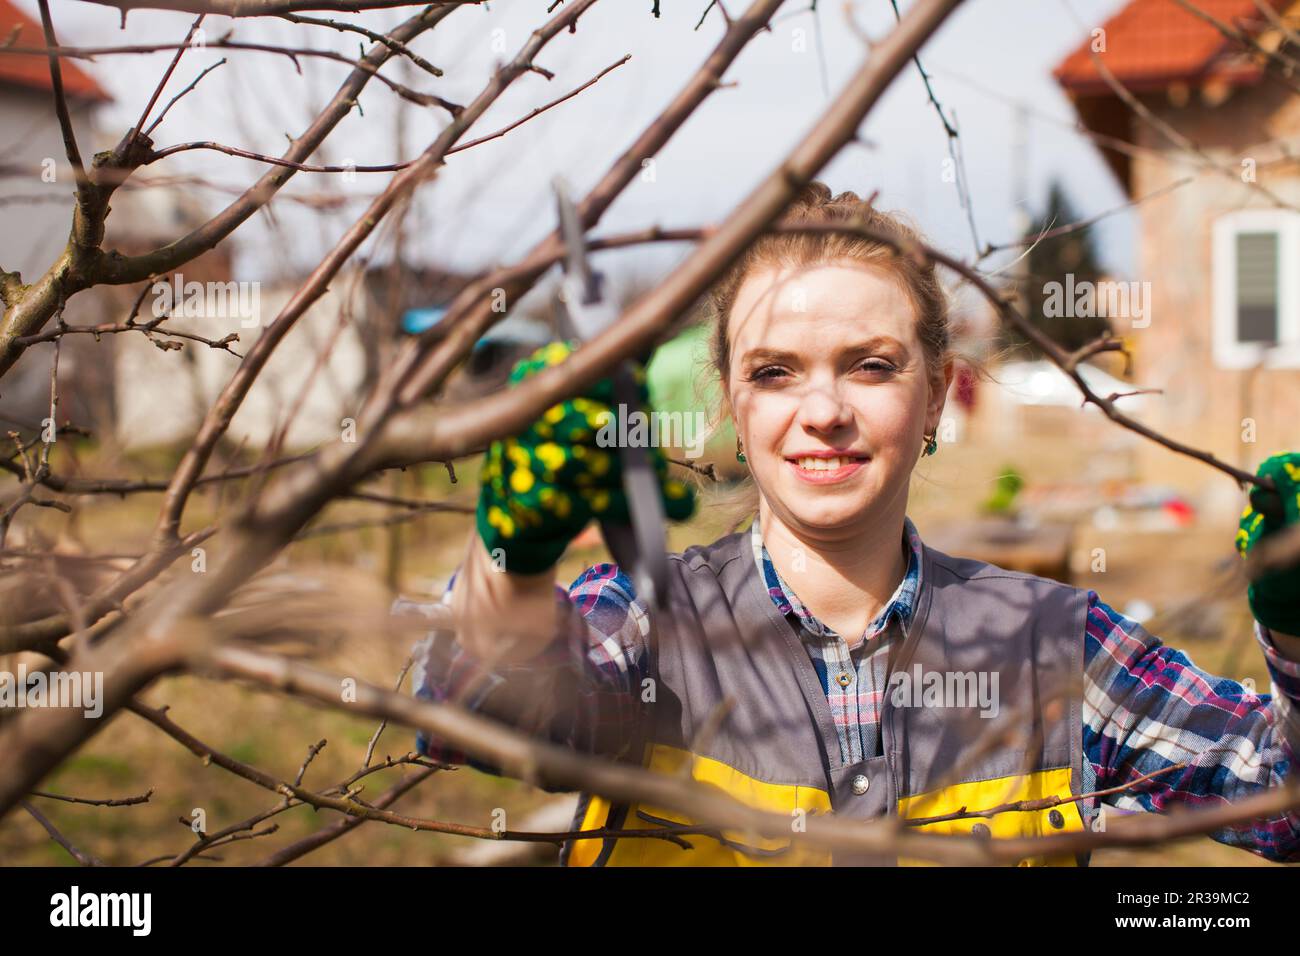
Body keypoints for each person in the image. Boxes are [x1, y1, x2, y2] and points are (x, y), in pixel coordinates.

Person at [401, 182, 1300, 867]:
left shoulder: (1058, 646)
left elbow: (1280, 794)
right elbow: (465, 704)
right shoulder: (642, 624)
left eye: (870, 366)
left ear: (939, 394)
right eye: (776, 372)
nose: (823, 410)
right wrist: (510, 565)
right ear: (730, 406)